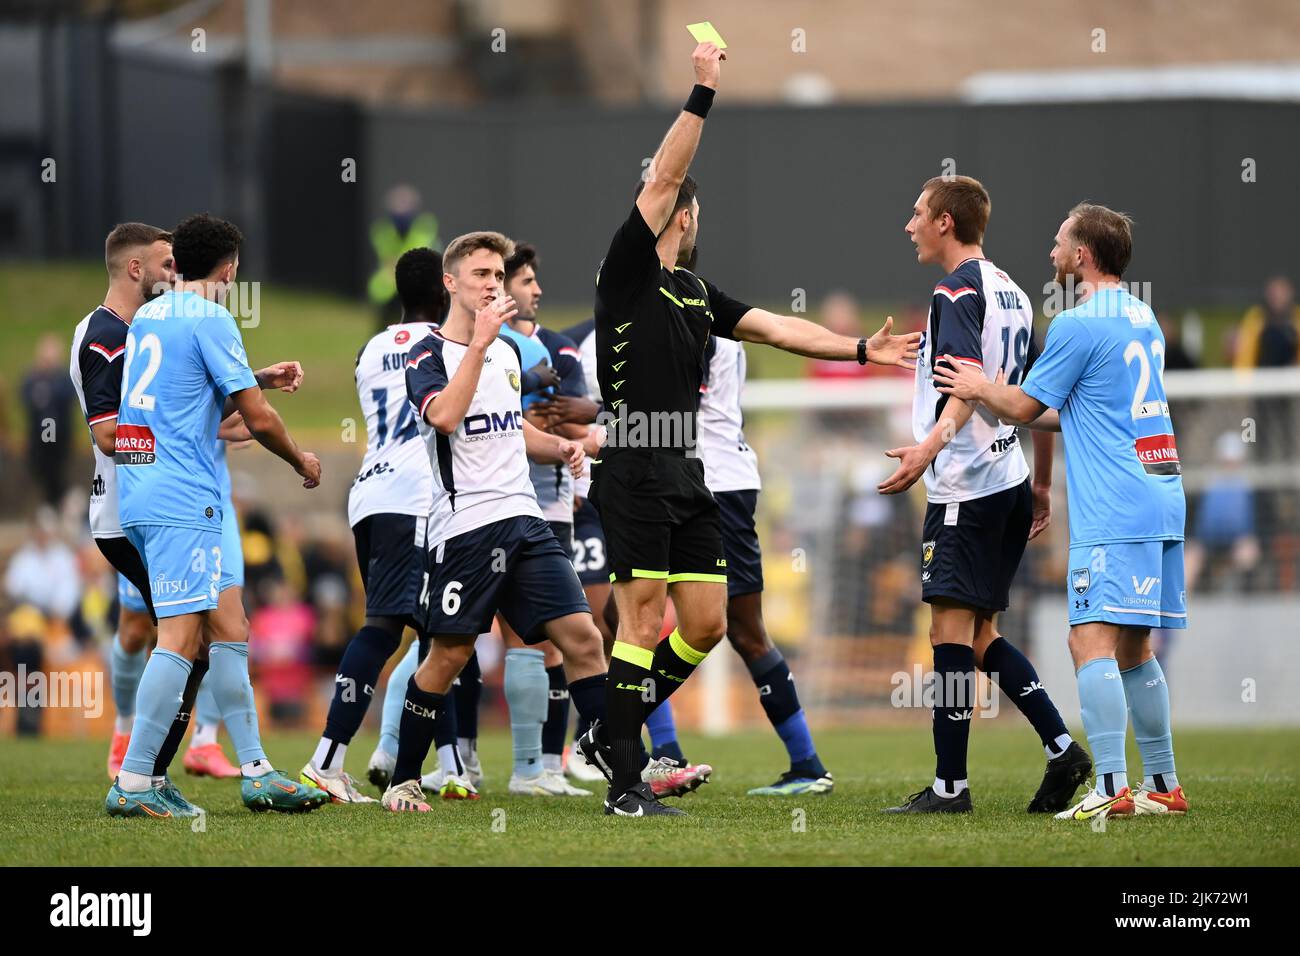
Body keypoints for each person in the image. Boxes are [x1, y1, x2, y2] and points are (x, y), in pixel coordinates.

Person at [576, 41, 919, 817]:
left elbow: (778, 329)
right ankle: (627, 783)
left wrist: (864, 348)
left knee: (701, 624)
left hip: (689, 470)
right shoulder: (625, 271)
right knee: (642, 618)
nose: (691, 216)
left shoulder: (697, 292)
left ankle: (611, 730)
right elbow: (662, 174)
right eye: (687, 207)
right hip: (634, 461)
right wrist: (702, 92)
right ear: (678, 213)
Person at [935, 202, 1189, 820]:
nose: (1051, 252)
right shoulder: (1142, 317)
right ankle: (1163, 785)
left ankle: (1109, 788)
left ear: (1082, 255)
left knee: (1088, 643)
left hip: (1115, 505)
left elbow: (1024, 406)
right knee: (1134, 648)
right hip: (1162, 490)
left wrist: (974, 387)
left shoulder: (1078, 323)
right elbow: (1063, 410)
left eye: (1059, 243)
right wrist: (1006, 406)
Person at [104, 213, 329, 818]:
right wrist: (301, 460)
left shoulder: (150, 315)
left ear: (176, 264)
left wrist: (252, 377)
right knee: (178, 637)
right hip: (183, 498)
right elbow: (255, 419)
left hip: (147, 490)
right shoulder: (211, 315)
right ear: (229, 269)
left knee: (231, 626)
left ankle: (256, 769)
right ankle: (132, 782)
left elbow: (179, 399)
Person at [877, 176, 1088, 814]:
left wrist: (928, 449)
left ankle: (950, 788)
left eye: (917, 215)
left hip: (966, 489)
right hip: (1012, 481)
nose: (909, 226)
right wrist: (1043, 483)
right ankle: (1060, 749)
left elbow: (967, 389)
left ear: (945, 222)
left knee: (948, 635)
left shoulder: (954, 291)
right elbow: (1034, 397)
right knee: (978, 636)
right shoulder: (1016, 294)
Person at [381, 230, 606, 814]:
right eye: (481, 274)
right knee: (449, 656)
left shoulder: (509, 353)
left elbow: (507, 426)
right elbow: (448, 418)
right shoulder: (426, 354)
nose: (493, 285)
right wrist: (479, 344)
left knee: (583, 639)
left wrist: (558, 447)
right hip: (466, 527)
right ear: (450, 283)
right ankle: (405, 777)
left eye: (499, 276)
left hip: (526, 520)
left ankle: (625, 776)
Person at [302, 246, 455, 803]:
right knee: (394, 628)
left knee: (427, 630)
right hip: (414, 495)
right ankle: (331, 759)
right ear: (444, 289)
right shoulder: (443, 345)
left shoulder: (369, 350)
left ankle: (431, 758)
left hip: (370, 492)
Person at [22, 333, 77, 506]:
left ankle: (57, 505)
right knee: (41, 474)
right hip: (38, 440)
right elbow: (26, 398)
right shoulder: (32, 379)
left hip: (59, 439)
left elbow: (69, 400)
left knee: (58, 475)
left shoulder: (63, 380)